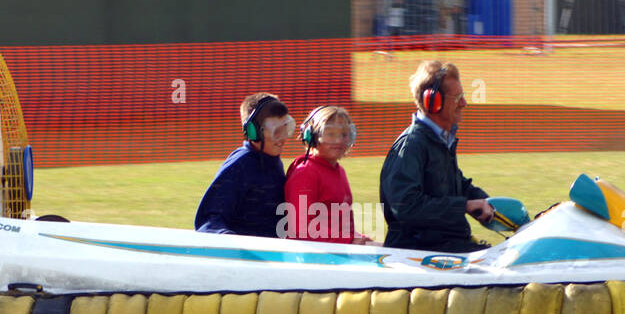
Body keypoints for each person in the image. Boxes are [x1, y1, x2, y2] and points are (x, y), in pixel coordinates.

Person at [379, 60, 494, 252]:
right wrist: (463, 206)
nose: (464, 103)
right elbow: (405, 206)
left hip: (444, 247)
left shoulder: (438, 140)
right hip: (420, 251)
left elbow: (456, 185)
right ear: (433, 102)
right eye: (457, 98)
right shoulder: (411, 145)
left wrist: (494, 205)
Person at [194, 93, 295, 237]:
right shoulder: (241, 165)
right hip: (247, 255)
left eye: (286, 128)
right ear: (253, 132)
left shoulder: (272, 161)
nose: (283, 137)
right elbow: (209, 220)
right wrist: (238, 246)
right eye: (276, 132)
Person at [282, 105, 374, 245]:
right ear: (311, 136)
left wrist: (356, 237)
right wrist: (349, 241)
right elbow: (301, 229)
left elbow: (341, 223)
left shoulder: (339, 171)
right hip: (310, 258)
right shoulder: (305, 173)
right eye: (330, 134)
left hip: (334, 253)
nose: (338, 141)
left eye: (344, 134)